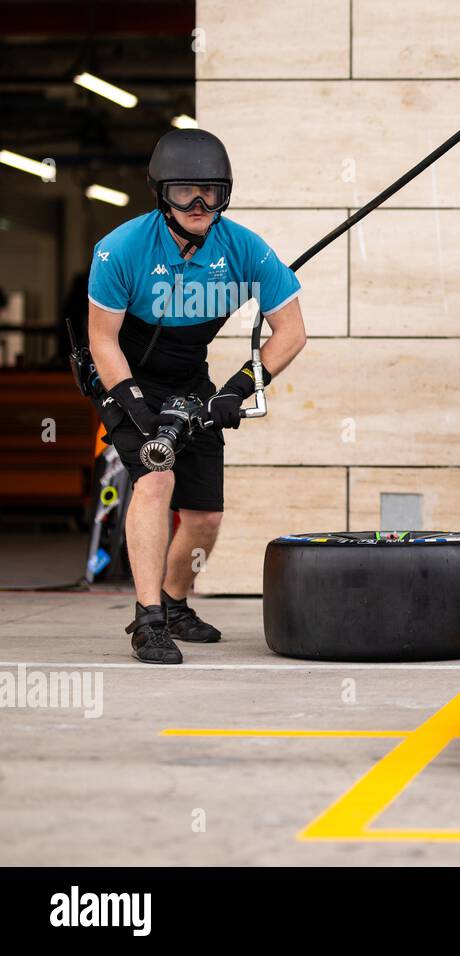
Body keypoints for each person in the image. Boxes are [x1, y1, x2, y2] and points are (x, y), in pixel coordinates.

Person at [86, 128, 307, 664]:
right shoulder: (121, 249)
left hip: (191, 380)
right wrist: (136, 408)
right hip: (127, 377)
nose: (199, 203)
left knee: (204, 515)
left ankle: (174, 601)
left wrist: (237, 390)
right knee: (156, 479)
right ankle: (147, 620)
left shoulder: (245, 249)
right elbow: (101, 340)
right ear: (162, 193)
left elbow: (291, 332)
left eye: (210, 190)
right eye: (186, 191)